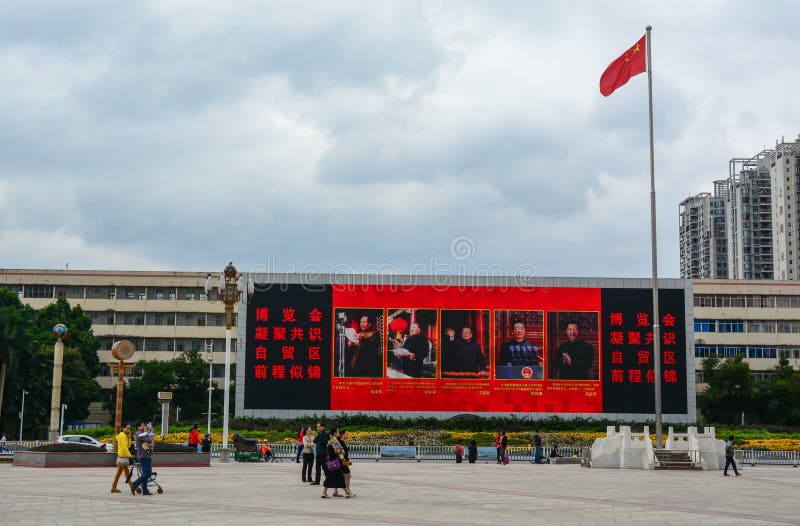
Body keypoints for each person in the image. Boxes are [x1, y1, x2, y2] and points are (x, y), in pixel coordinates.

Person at [321, 427, 346, 498]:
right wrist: (342, 452)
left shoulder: (330, 440)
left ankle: (330, 492)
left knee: (332, 477)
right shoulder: (334, 440)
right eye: (338, 432)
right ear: (335, 433)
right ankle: (347, 492)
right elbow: (336, 451)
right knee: (338, 477)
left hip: (331, 461)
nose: (339, 433)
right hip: (334, 461)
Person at [131, 422, 154, 496]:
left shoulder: (143, 433)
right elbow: (149, 440)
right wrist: (148, 433)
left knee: (145, 473)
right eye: (142, 425)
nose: (144, 426)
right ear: (138, 427)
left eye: (145, 425)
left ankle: (145, 490)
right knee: (148, 473)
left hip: (145, 455)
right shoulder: (139, 433)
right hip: (144, 456)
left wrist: (149, 432)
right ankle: (135, 484)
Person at [110, 424, 134, 493]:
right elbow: (124, 447)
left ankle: (113, 487)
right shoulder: (122, 436)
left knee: (119, 473)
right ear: (123, 428)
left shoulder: (125, 436)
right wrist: (129, 455)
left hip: (123, 456)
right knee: (127, 474)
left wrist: (129, 438)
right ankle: (134, 487)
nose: (128, 429)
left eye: (129, 428)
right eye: (127, 428)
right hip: (123, 457)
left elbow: (128, 446)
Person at [339, 429, 355, 498]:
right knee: (347, 476)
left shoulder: (342, 442)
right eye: (346, 434)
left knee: (347, 476)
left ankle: (347, 490)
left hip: (344, 461)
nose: (348, 435)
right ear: (342, 434)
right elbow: (340, 454)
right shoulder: (341, 442)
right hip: (342, 462)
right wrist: (346, 461)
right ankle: (347, 491)